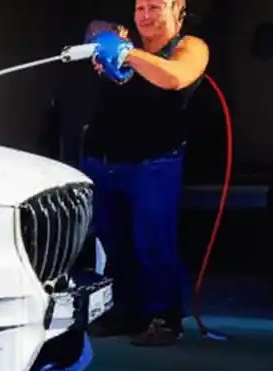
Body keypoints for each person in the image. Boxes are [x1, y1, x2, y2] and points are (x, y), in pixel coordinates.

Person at [82, 0, 210, 346]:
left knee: (152, 241)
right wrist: (104, 44)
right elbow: (96, 31)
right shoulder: (123, 39)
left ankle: (163, 317)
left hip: (155, 161)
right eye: (141, 8)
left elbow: (174, 78)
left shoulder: (189, 47)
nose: (146, 16)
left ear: (177, 10)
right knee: (112, 242)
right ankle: (125, 312)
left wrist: (127, 53)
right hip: (103, 159)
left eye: (155, 7)